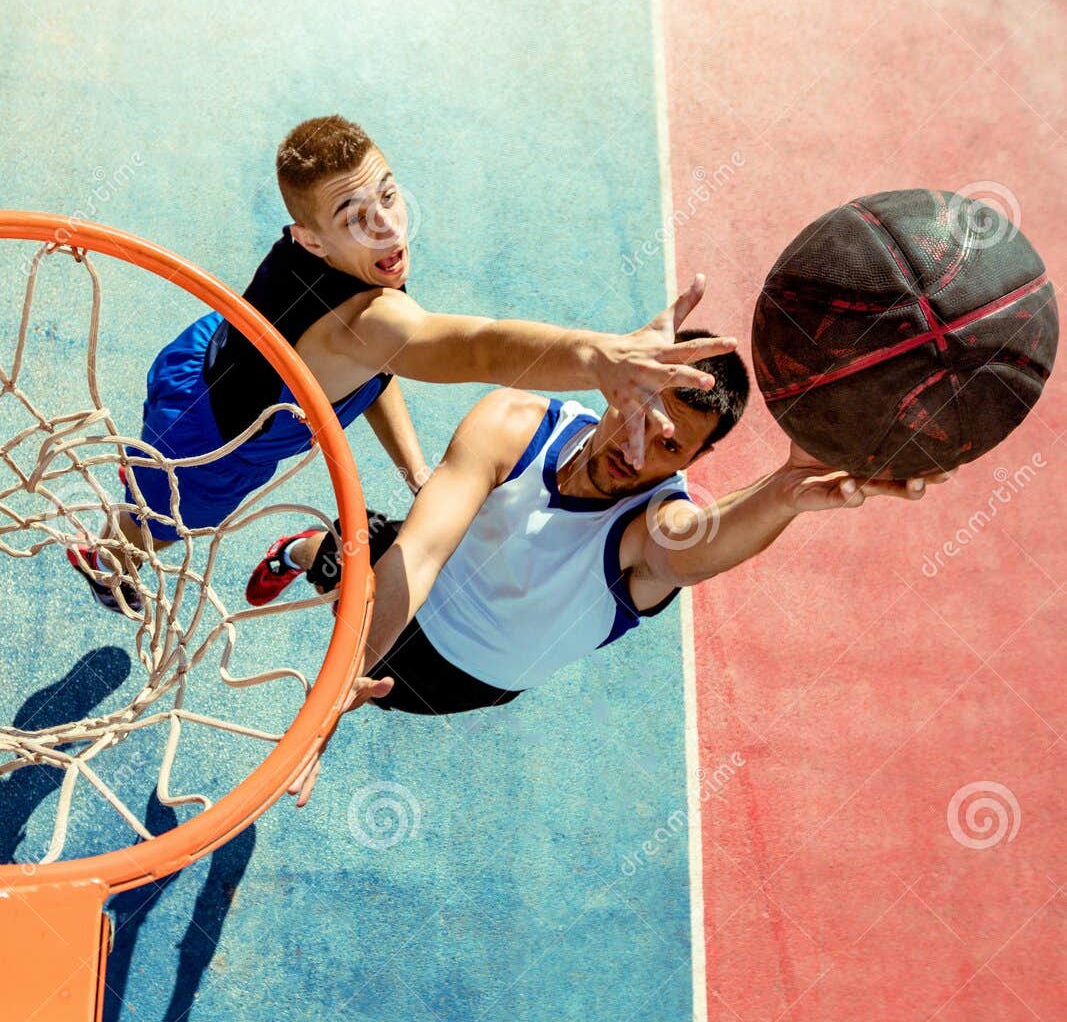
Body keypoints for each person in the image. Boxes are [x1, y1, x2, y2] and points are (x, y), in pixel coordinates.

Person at [265, 284, 953, 804]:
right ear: (622, 385)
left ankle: (321, 554)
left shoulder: (650, 525)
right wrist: (331, 695)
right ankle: (302, 551)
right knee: (358, 554)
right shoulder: (513, 420)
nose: (635, 445)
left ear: (692, 460)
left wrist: (781, 493)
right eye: (639, 410)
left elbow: (688, 550)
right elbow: (418, 553)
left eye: (667, 444)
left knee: (373, 586)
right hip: (409, 595)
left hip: (462, 680)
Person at [67, 113, 733, 609]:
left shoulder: (354, 274)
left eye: (387, 195)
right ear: (310, 240)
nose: (387, 225)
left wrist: (412, 467)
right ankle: (112, 563)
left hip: (208, 350)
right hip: (205, 445)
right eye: (354, 215)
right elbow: (478, 345)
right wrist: (595, 358)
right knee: (150, 524)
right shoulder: (370, 319)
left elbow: (375, 370)